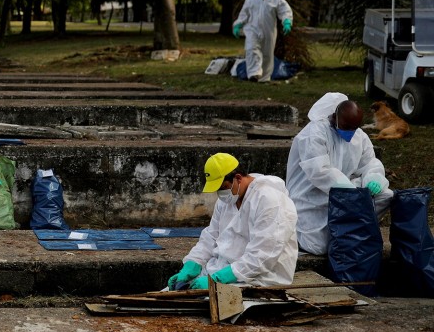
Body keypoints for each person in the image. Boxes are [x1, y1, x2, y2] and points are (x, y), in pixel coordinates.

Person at [167, 153, 299, 291]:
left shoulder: (270, 200)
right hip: (221, 270)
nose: (220, 193)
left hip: (259, 278)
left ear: (238, 178)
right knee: (172, 292)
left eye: (223, 187)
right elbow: (211, 236)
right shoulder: (227, 201)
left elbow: (263, 255)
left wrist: (219, 278)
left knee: (202, 301)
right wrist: (193, 263)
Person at [286, 92, 392, 255]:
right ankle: (347, 230)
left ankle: (352, 230)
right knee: (318, 246)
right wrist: (348, 192)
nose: (350, 133)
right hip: (312, 197)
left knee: (385, 195)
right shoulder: (314, 134)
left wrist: (373, 177)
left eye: (354, 128)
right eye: (346, 127)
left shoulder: (359, 136)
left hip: (346, 192)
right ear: (334, 117)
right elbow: (320, 172)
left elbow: (369, 162)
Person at [234, 0, 294, 83]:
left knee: (267, 55)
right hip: (252, 30)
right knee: (251, 49)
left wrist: (287, 22)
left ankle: (264, 78)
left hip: (269, 31)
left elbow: (285, 11)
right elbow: (244, 13)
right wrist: (238, 25)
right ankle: (253, 74)